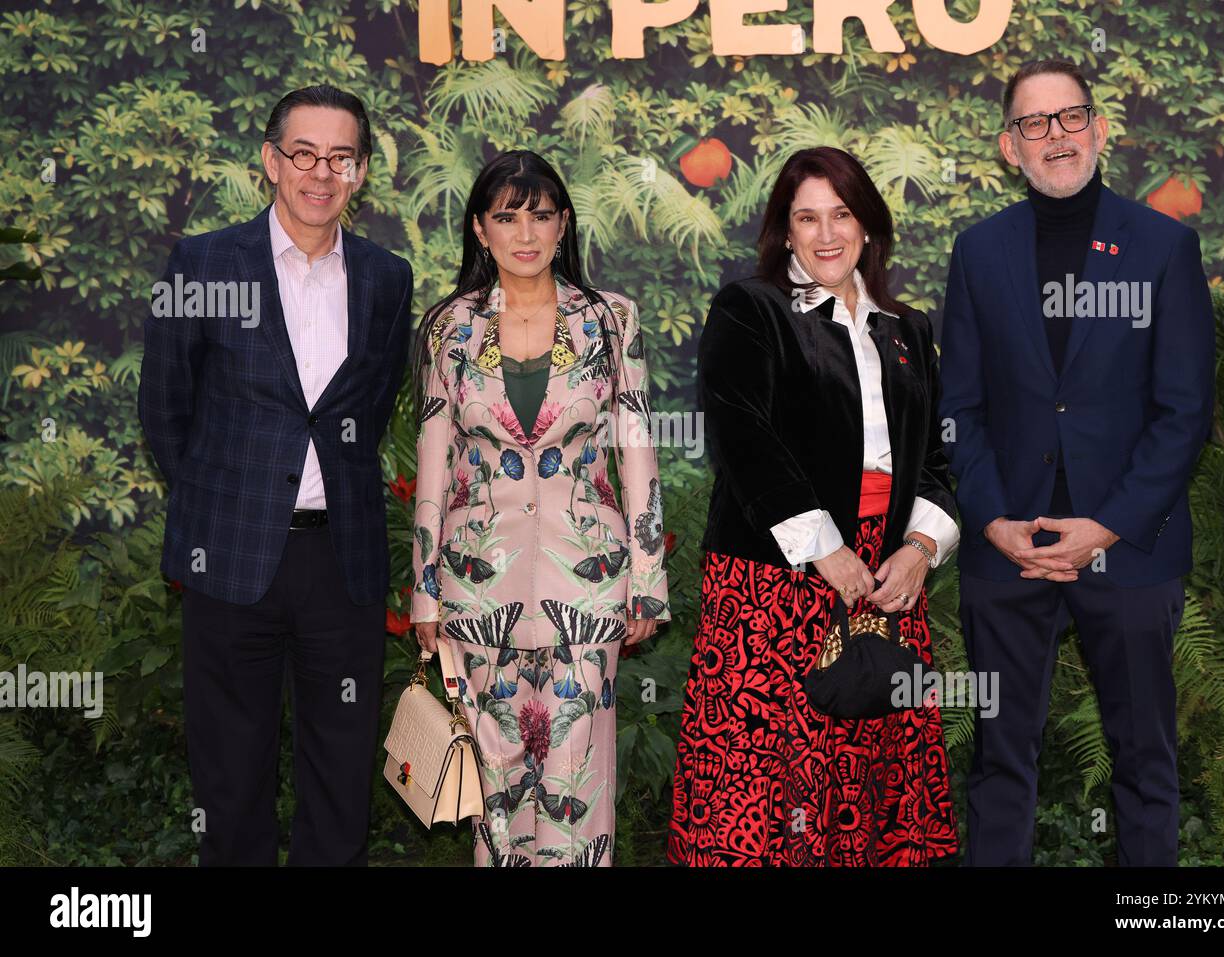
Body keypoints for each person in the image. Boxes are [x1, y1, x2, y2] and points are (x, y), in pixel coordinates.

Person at [939, 59, 1215, 866]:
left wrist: (1108, 526)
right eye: (1034, 123)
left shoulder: (1165, 247)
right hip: (1007, 549)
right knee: (998, 768)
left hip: (1129, 549)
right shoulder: (979, 251)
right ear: (1007, 146)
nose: (1055, 136)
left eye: (1070, 118)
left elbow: (1185, 412)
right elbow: (959, 409)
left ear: (1098, 127)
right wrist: (991, 521)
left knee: (1144, 762)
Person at [138, 85, 413, 865]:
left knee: (340, 787)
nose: (320, 173)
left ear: (361, 172)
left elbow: (374, 399)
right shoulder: (201, 261)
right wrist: (219, 502)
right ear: (270, 161)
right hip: (230, 562)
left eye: (341, 157)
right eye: (303, 153)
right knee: (230, 783)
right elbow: (164, 407)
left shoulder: (386, 278)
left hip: (343, 565)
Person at [667, 146, 961, 866]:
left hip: (885, 584)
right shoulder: (752, 308)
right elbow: (742, 435)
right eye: (807, 218)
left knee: (866, 785)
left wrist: (921, 551)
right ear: (784, 230)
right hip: (775, 580)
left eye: (842, 214)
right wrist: (824, 546)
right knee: (764, 791)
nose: (827, 234)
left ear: (868, 225)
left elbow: (940, 460)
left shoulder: (909, 328)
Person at [409, 150, 671, 867]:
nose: (526, 233)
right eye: (507, 216)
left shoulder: (612, 320)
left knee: (578, 777)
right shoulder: (449, 328)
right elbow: (434, 457)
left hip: (587, 579)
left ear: (564, 225)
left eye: (542, 215)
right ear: (479, 228)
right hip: (475, 581)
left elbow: (637, 449)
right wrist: (423, 589)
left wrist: (646, 580)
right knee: (495, 782)